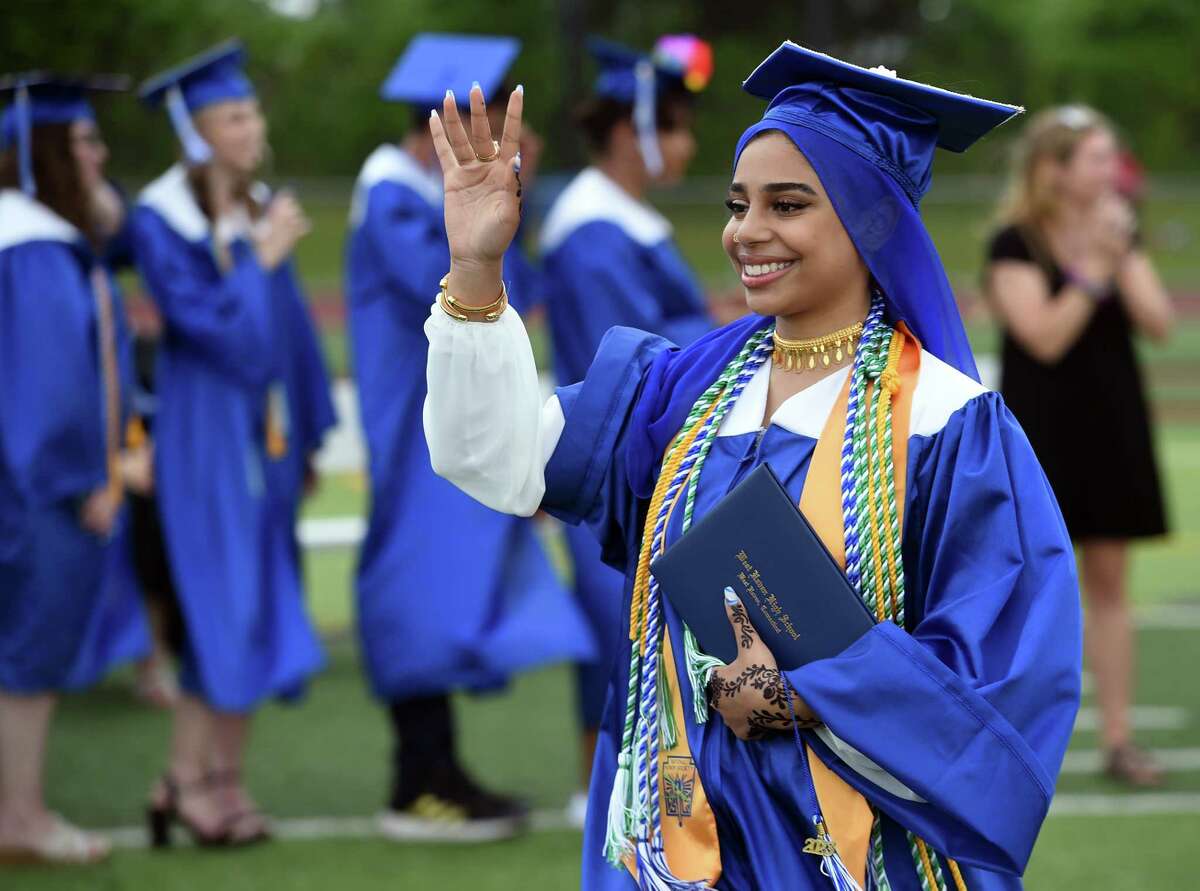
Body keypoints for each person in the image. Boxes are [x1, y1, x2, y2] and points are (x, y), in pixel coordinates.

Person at [423, 42, 1083, 890]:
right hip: (678, 836)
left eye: (789, 203)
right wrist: (476, 266)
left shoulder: (946, 424)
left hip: (852, 849)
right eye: (739, 204)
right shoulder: (681, 390)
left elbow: (1006, 682)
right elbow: (500, 458)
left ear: (870, 219)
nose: (748, 231)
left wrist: (802, 693)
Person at [346, 32, 594, 843]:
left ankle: (437, 770)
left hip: (439, 417)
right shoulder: (391, 196)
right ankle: (416, 780)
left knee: (443, 593)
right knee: (418, 595)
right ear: (446, 122)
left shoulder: (408, 189)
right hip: (414, 428)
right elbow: (458, 282)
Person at [132, 40, 336, 847]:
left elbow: (288, 341)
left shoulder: (258, 205)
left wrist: (311, 435)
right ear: (194, 133)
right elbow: (227, 338)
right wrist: (261, 257)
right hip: (206, 437)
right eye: (233, 116)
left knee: (253, 611)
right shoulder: (162, 221)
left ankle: (217, 781)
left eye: (253, 111)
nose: (253, 127)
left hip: (268, 438)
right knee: (222, 607)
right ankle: (189, 782)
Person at [538, 35, 717, 825]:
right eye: (673, 126)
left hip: (641, 452)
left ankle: (640, 781)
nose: (686, 144)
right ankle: (605, 785)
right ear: (629, 132)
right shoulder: (592, 230)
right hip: (616, 459)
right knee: (621, 616)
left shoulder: (622, 219)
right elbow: (634, 353)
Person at [984, 105, 1174, 787]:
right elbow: (1044, 335)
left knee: (1110, 582)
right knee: (1028, 585)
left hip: (1112, 425)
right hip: (1040, 432)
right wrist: (1091, 268)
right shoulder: (1015, 243)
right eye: (1096, 157)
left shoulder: (1120, 235)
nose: (1111, 169)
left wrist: (1118, 254)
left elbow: (1158, 322)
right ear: (1054, 170)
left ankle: (1119, 736)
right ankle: (1012, 737)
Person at [0, 72, 136, 865]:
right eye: (83, 142)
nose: (99, 152)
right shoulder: (35, 249)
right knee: (27, 653)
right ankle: (18, 816)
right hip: (35, 488)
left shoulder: (29, 237)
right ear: (43, 151)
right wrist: (89, 476)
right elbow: (52, 386)